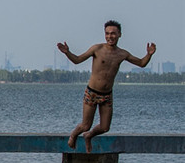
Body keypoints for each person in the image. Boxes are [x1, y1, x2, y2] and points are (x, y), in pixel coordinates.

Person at [58, 20, 156, 152]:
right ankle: (74, 135)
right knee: (86, 125)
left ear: (120, 34)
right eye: (107, 33)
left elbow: (141, 63)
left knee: (105, 127)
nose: (110, 36)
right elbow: (77, 60)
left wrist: (149, 55)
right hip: (92, 92)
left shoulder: (122, 54)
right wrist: (67, 52)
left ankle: (89, 136)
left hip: (107, 95)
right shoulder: (97, 49)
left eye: (113, 33)